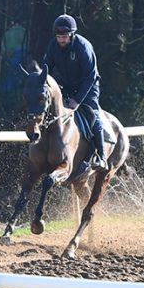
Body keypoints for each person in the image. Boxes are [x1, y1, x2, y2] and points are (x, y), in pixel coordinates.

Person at [42, 14, 107, 178]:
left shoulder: (83, 47)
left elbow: (90, 76)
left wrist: (77, 101)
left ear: (71, 35)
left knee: (92, 114)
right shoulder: (53, 45)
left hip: (88, 86)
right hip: (67, 84)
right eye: (59, 37)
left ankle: (101, 156)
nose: (61, 40)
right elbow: (46, 69)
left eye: (64, 37)